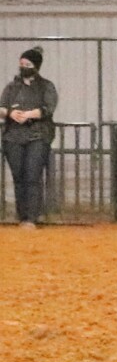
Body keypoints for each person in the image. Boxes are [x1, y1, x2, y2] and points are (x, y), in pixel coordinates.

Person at [3, 48, 57, 229]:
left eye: (28, 64)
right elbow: (1, 106)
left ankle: (31, 217)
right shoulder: (12, 87)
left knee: (32, 175)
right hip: (13, 137)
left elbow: (48, 108)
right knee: (18, 176)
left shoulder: (46, 86)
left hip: (37, 135)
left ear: (36, 67)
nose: (24, 67)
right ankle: (22, 214)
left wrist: (28, 114)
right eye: (22, 64)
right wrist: (11, 113)